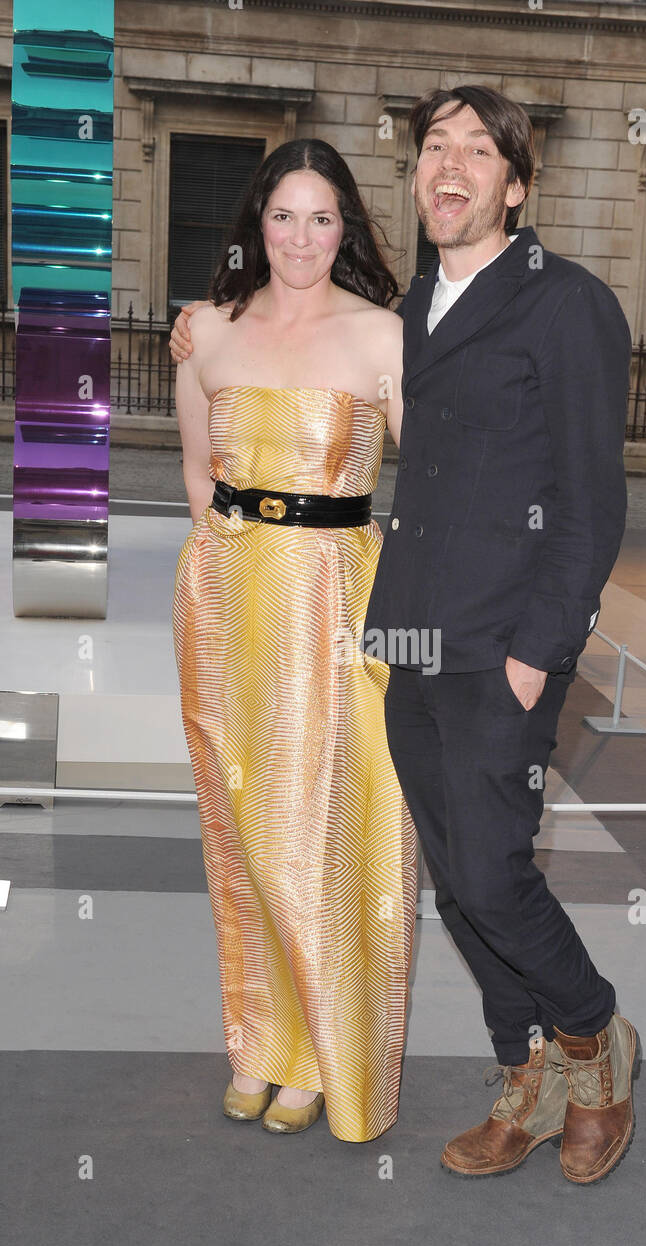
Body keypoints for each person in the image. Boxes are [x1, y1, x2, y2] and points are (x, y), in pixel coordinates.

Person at [363, 85, 639, 1184]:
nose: (451, 164)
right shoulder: (414, 299)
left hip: (501, 653)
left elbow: (589, 503)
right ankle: (525, 1071)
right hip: (416, 643)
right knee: (455, 879)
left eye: (478, 149)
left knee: (490, 872)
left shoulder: (565, 305)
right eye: (435, 145)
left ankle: (595, 1048)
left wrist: (538, 653)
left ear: (514, 187)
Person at [171, 137, 416, 1144]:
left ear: (346, 228)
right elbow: (198, 477)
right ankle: (260, 1045)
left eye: (322, 218)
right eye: (283, 216)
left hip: (335, 603)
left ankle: (322, 1054)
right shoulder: (206, 332)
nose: (301, 237)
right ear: (255, 225)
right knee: (239, 832)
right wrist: (220, 579)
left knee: (317, 828)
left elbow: (439, 479)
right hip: (228, 598)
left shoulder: (383, 338)